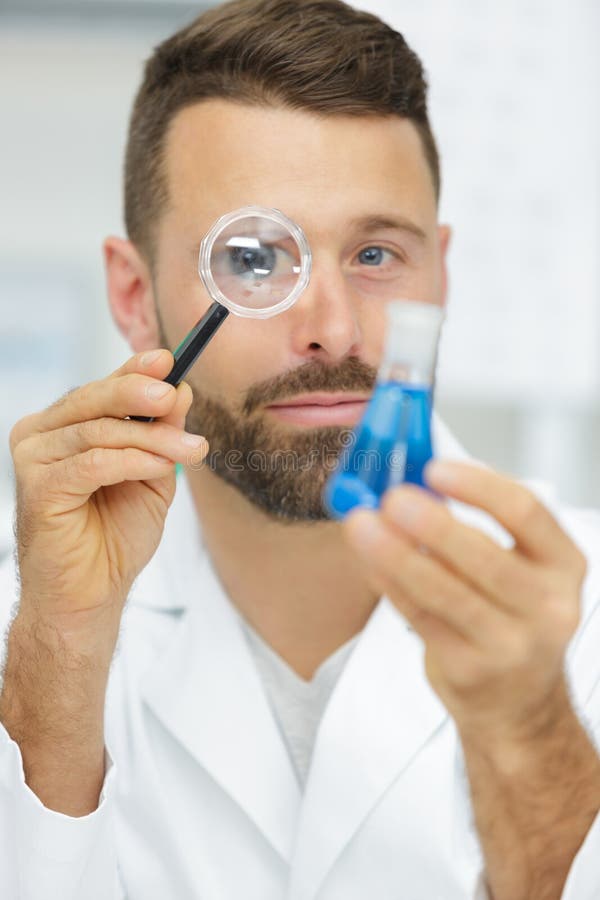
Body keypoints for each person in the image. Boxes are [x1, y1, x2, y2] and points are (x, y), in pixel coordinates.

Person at [1, 1, 599, 897]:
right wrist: (62, 649)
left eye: (376, 255)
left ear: (440, 274)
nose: (334, 329)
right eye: (253, 260)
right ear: (132, 294)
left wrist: (530, 732)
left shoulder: (582, 612)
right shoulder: (31, 623)